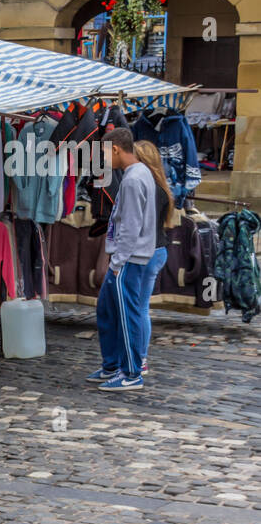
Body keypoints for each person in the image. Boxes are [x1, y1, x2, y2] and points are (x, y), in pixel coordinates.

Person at [88, 127, 158, 390]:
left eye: (105, 153)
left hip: (130, 259)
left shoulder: (132, 180)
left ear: (115, 149)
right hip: (128, 257)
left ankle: (130, 373)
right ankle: (113, 365)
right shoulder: (138, 175)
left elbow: (130, 226)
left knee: (126, 316)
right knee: (108, 310)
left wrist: (117, 262)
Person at [132, 140, 176, 372]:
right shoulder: (161, 187)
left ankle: (139, 358)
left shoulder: (145, 186)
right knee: (140, 307)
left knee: (138, 307)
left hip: (147, 252)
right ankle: (139, 357)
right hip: (158, 250)